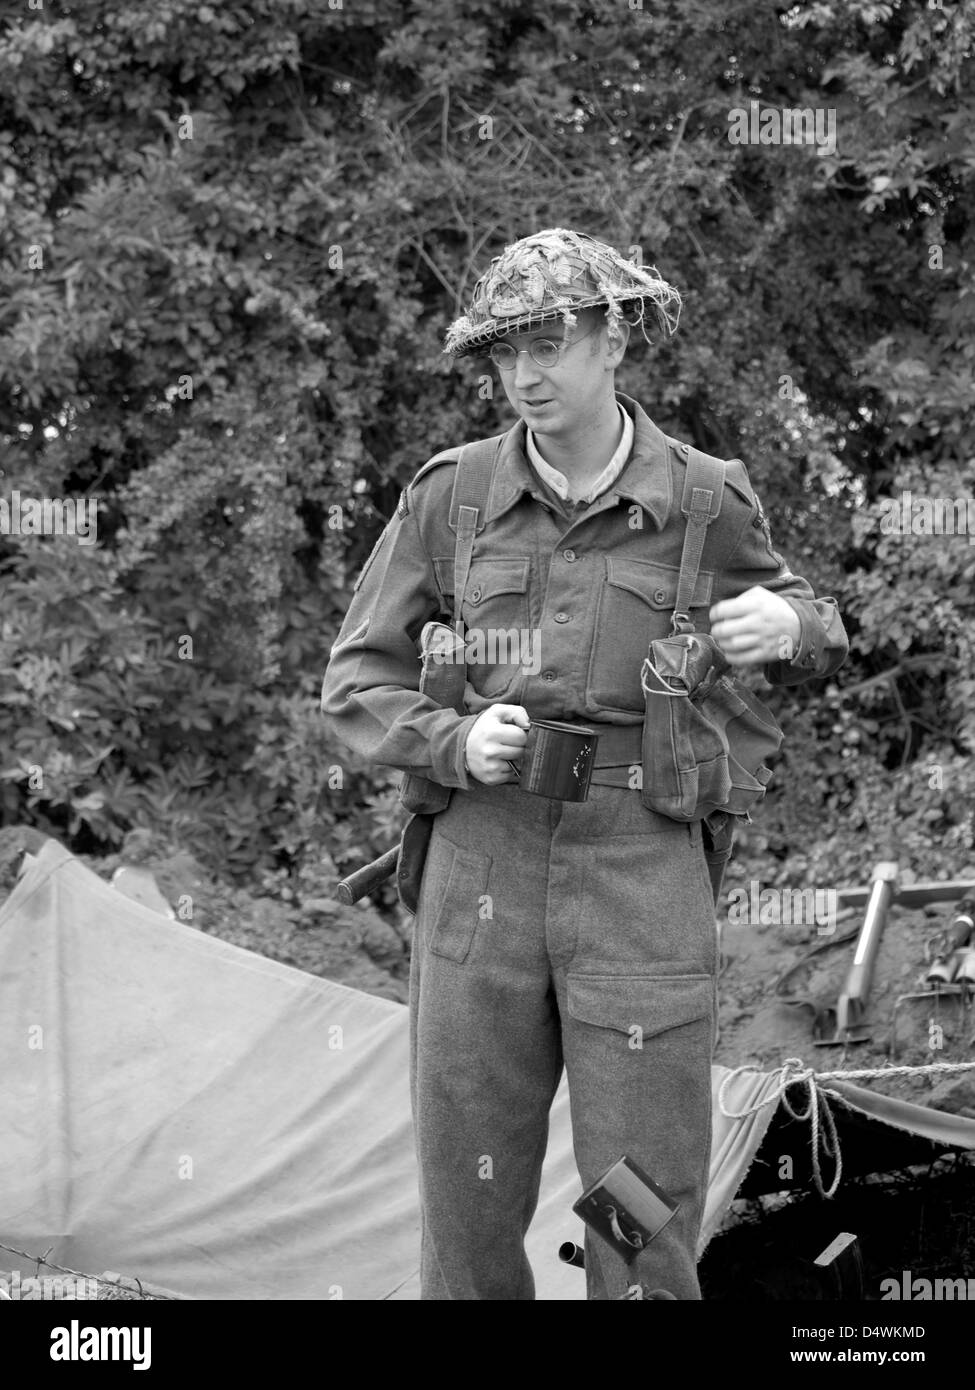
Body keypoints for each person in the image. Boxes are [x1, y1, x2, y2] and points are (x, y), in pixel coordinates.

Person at [321, 227, 848, 1300]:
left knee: (639, 1196)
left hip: (642, 865)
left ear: (613, 340)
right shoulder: (452, 497)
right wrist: (453, 741)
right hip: (482, 863)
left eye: (549, 342)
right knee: (468, 1201)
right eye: (503, 351)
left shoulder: (705, 497)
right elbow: (354, 684)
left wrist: (784, 627)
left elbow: (813, 615)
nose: (524, 374)